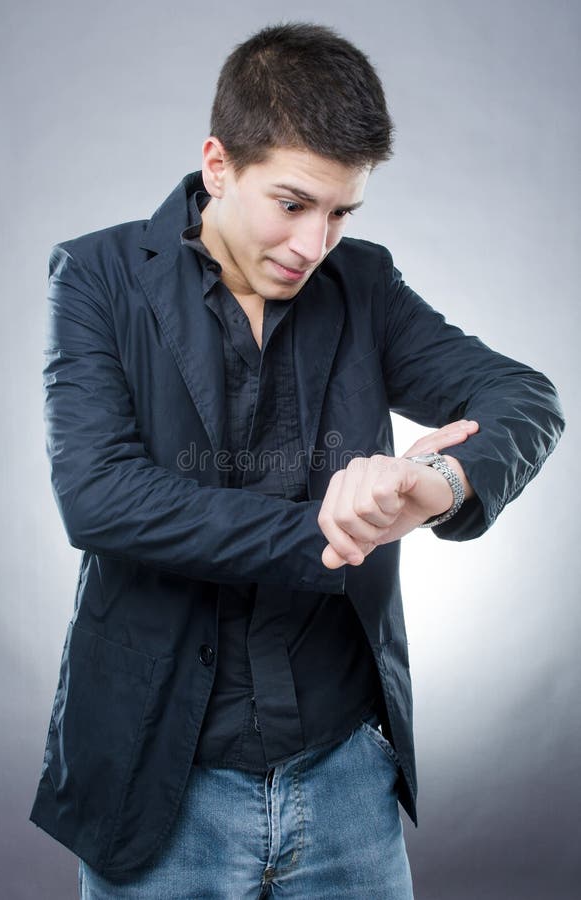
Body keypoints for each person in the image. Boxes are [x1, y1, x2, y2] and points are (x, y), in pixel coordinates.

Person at [30, 22, 564, 900]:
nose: (315, 244)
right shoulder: (97, 276)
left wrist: (429, 486)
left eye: (341, 211)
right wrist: (330, 530)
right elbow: (98, 497)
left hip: (347, 780)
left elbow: (525, 398)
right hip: (158, 783)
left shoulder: (365, 283)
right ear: (217, 165)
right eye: (292, 202)